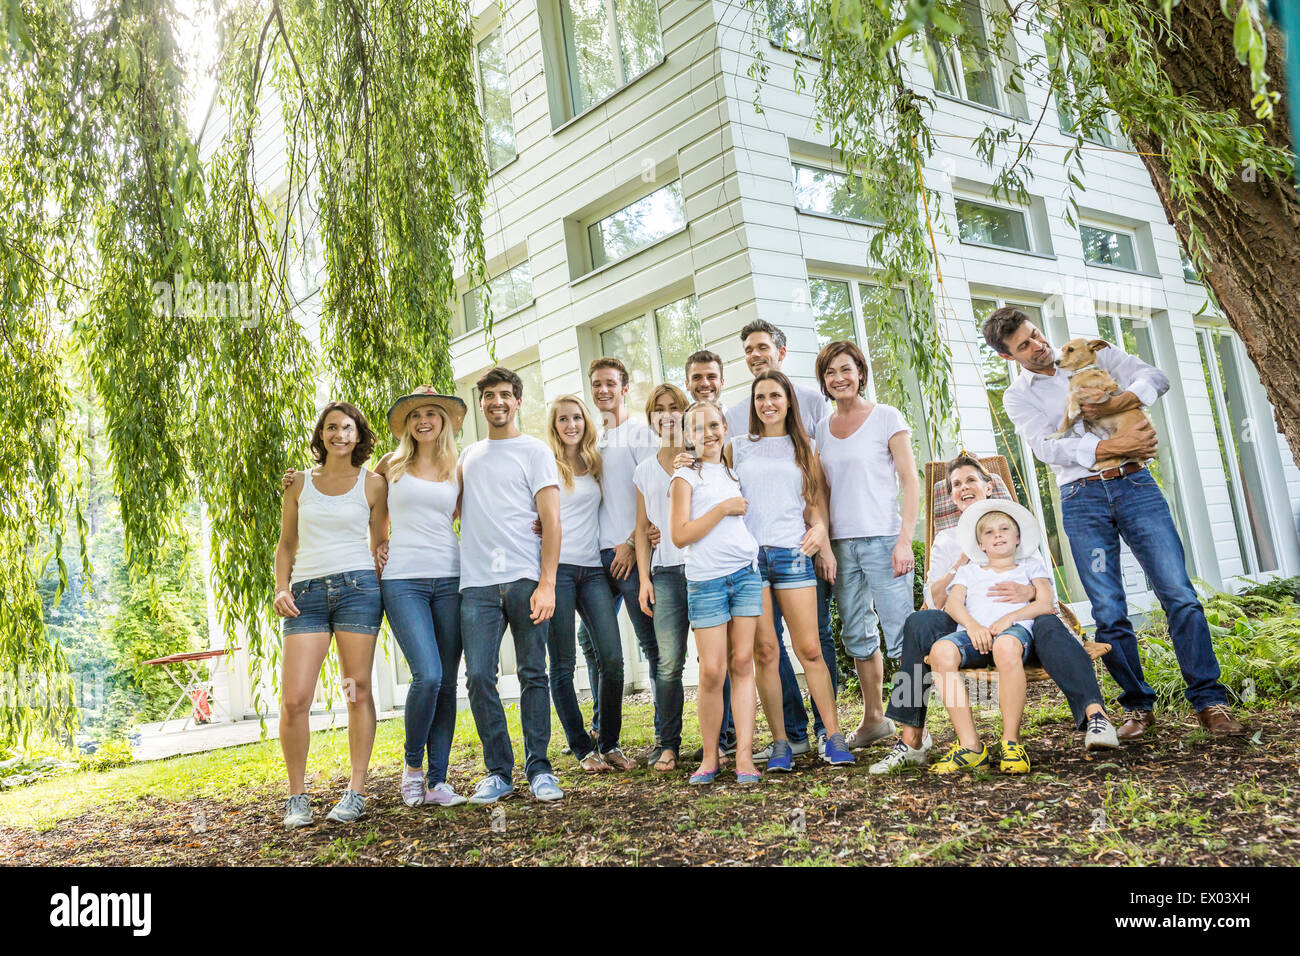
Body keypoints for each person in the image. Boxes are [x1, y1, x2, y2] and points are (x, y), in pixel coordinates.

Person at [987, 308, 1246, 737]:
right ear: (1008, 356)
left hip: (1135, 486)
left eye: (1036, 335)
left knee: (1178, 593)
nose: (1039, 346)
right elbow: (1047, 449)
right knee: (1108, 609)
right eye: (1024, 346)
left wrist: (1124, 401)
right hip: (1081, 498)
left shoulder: (1094, 355)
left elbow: (1156, 377)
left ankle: (1210, 701)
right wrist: (1119, 443)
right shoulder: (1017, 396)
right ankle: (1138, 708)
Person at [874, 453, 1118, 773]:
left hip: (1019, 625)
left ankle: (1094, 715)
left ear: (988, 487)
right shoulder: (947, 539)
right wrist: (964, 558)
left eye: (971, 480)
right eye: (956, 484)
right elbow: (937, 599)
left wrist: (1027, 594)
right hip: (963, 622)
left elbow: (1047, 596)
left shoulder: (1014, 533)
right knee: (918, 624)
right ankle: (911, 741)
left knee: (1048, 621)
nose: (964, 487)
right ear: (950, 496)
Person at [725, 320, 839, 761]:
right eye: (761, 397)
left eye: (776, 396)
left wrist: (820, 532)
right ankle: (781, 743)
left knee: (810, 646)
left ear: (788, 401)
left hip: (793, 556)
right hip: (751, 562)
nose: (768, 402)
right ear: (753, 404)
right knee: (766, 651)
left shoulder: (804, 446)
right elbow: (713, 488)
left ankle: (832, 735)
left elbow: (814, 502)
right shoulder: (738, 446)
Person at [273, 402, 388, 828]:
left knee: (356, 689)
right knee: (295, 699)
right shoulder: (298, 482)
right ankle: (297, 797)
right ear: (321, 435)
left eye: (349, 428)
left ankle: (356, 791)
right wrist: (281, 587)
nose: (340, 434)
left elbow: (380, 545)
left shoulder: (374, 484)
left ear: (360, 435)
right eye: (332, 427)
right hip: (305, 593)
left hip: (358, 590)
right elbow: (286, 544)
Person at [457, 366, 565, 804]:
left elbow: (552, 520)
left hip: (525, 579)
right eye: (489, 396)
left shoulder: (536, 451)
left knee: (532, 673)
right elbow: (442, 505)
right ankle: (499, 771)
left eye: (505, 394)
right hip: (477, 585)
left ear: (518, 400)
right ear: (480, 402)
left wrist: (548, 583)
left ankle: (540, 768)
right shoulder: (468, 455)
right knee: (479, 675)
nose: (497, 402)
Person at [815, 340, 919, 751]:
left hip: (884, 540)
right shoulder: (822, 429)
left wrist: (905, 540)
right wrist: (824, 542)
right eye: (830, 372)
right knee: (857, 634)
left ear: (860, 372)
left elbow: (911, 480)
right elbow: (821, 490)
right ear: (824, 381)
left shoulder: (886, 417)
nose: (839, 378)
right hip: (841, 545)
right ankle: (875, 718)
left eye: (846, 369)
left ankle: (915, 728)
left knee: (903, 637)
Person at [376, 388, 470, 807]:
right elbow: (357, 500)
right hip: (403, 581)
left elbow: (480, 513)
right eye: (416, 415)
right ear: (408, 425)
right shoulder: (390, 465)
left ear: (445, 421)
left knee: (447, 682)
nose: (424, 420)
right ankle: (413, 767)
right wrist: (377, 543)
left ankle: (438, 782)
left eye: (432, 413)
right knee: (427, 675)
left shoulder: (458, 467)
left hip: (451, 577)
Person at [670, 400, 763, 785]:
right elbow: (680, 535)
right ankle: (711, 757)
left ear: (725, 427)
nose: (708, 433)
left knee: (743, 664)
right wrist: (724, 508)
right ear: (688, 437)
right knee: (711, 670)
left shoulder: (733, 472)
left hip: (744, 575)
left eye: (714, 425)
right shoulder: (684, 478)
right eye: (698, 428)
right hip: (706, 581)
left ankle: (744, 756)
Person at [926, 501, 1056, 774]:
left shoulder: (1029, 564)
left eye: (1004, 529)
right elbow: (952, 604)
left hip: (1013, 634)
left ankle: (1011, 742)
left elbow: (1046, 603)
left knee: (1006, 647)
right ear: (980, 545)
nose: (997, 535)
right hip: (975, 635)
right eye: (988, 532)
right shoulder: (969, 570)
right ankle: (971, 746)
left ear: (1017, 538)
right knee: (940, 652)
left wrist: (1010, 618)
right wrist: (973, 626)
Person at [544, 394, 636, 772]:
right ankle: (582, 748)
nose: (571, 425)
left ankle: (609, 742)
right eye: (563, 419)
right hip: (558, 572)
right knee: (562, 665)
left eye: (577, 418)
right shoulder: (546, 465)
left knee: (612, 658)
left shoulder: (595, 461)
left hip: (592, 570)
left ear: (586, 422)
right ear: (554, 425)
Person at [575, 358, 661, 756]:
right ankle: (601, 731)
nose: (603, 390)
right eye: (597, 384)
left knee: (651, 642)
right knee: (591, 644)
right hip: (597, 558)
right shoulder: (592, 441)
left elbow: (654, 491)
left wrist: (631, 541)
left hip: (630, 553)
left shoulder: (640, 434)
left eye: (611, 383)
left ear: (625, 388)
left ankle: (665, 732)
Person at [681, 351, 738, 759]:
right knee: (713, 665)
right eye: (697, 377)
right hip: (705, 571)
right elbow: (680, 525)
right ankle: (713, 747)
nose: (705, 382)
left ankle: (748, 740)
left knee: (750, 658)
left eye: (711, 376)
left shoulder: (733, 447)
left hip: (743, 567)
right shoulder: (687, 464)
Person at [634, 383, 693, 772]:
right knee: (669, 663)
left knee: (715, 658)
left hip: (704, 570)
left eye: (675, 407)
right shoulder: (643, 470)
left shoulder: (699, 459)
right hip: (666, 574)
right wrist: (644, 579)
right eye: (660, 409)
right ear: (652, 417)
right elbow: (642, 529)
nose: (668, 414)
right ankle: (668, 743)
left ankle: (723, 741)